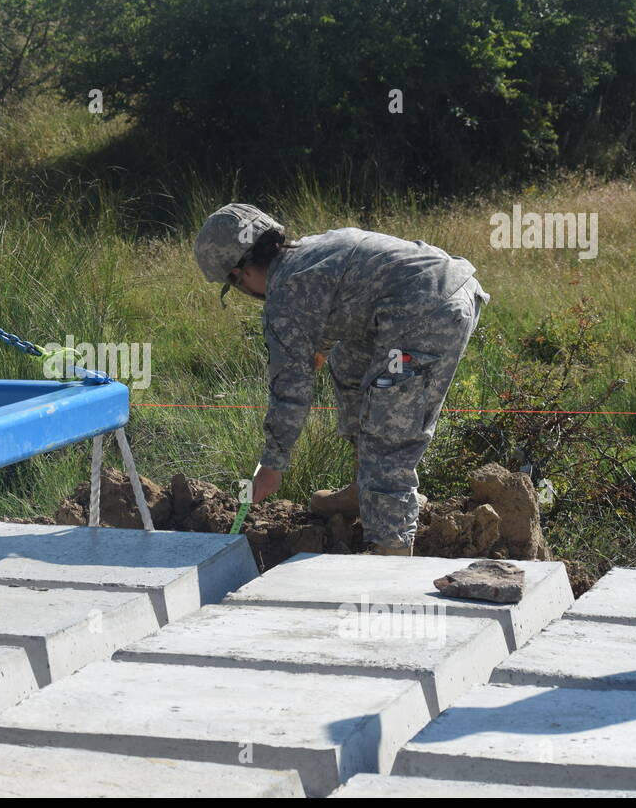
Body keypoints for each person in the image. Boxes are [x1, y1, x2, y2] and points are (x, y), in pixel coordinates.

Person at [193, 203, 489, 556]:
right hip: (444, 288)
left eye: (234, 286)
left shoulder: (284, 296)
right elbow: (351, 294)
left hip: (427, 315)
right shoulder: (311, 251)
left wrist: (272, 465)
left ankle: (390, 549)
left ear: (240, 274)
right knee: (348, 360)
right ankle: (363, 490)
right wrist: (321, 346)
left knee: (388, 432)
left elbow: (290, 391)